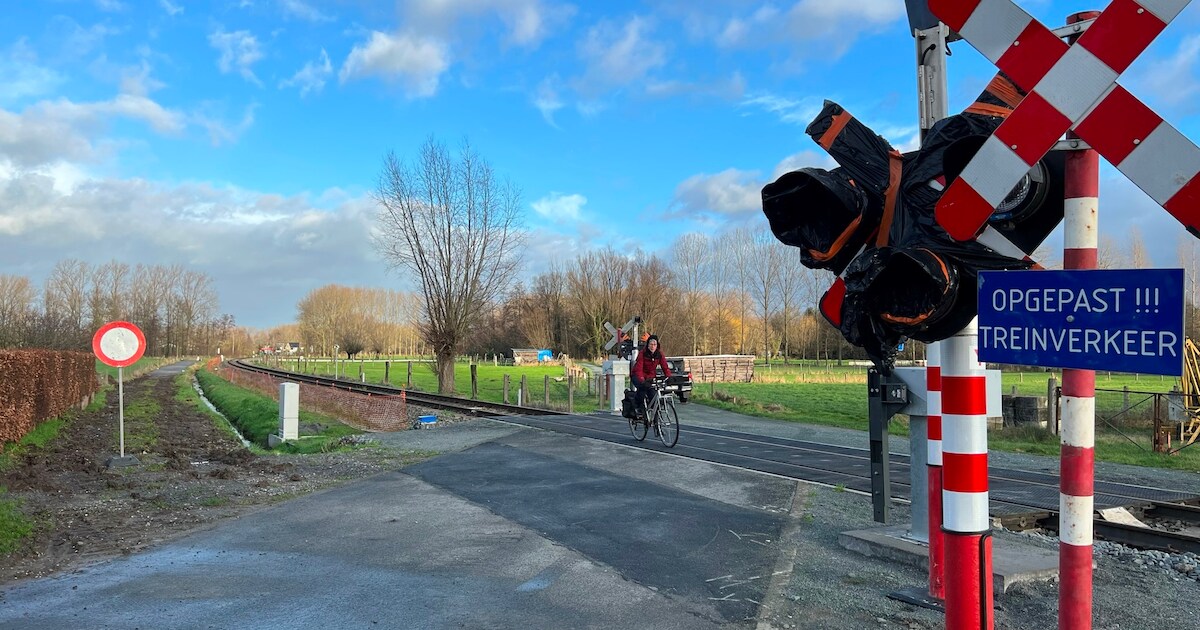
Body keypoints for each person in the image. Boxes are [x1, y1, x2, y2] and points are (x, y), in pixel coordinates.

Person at [630, 334, 671, 421]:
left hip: (650, 377)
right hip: (637, 375)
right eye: (651, 344)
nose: (652, 346)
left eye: (654, 344)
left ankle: (654, 419)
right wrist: (641, 380)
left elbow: (665, 366)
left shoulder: (659, 354)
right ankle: (638, 408)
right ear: (648, 345)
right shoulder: (642, 354)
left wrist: (669, 377)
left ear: (657, 345)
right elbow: (638, 369)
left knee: (653, 394)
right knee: (642, 389)